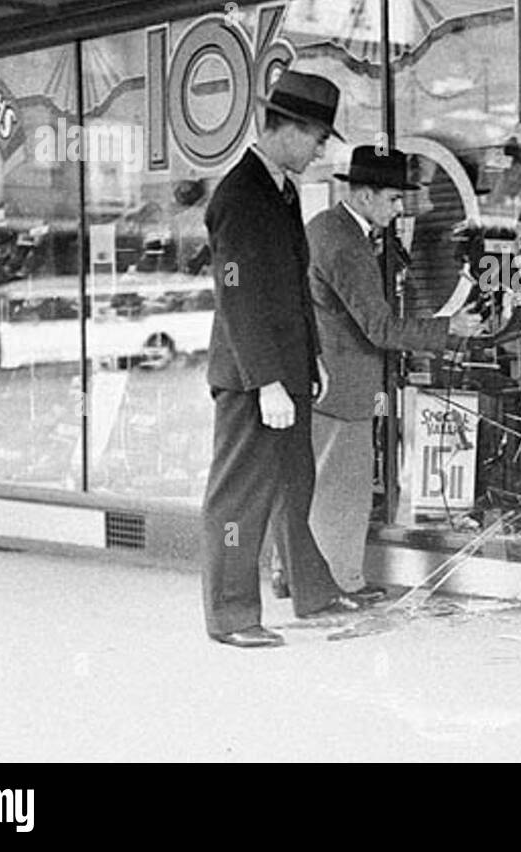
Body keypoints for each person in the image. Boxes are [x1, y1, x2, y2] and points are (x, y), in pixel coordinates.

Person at [283, 144, 483, 601]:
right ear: (366, 195)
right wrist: (448, 327)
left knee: (314, 485)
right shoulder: (346, 245)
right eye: (393, 199)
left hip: (323, 381)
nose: (399, 209)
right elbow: (380, 327)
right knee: (343, 491)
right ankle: (342, 582)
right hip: (344, 386)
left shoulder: (326, 228)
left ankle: (292, 574)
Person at [201, 70, 351, 648]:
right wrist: (266, 381)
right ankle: (232, 616)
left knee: (295, 482)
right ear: (289, 128)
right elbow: (237, 295)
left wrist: (310, 360)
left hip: (286, 371)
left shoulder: (280, 191)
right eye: (317, 139)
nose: (319, 152)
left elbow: (291, 285)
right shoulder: (241, 195)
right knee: (239, 495)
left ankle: (311, 591)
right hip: (252, 377)